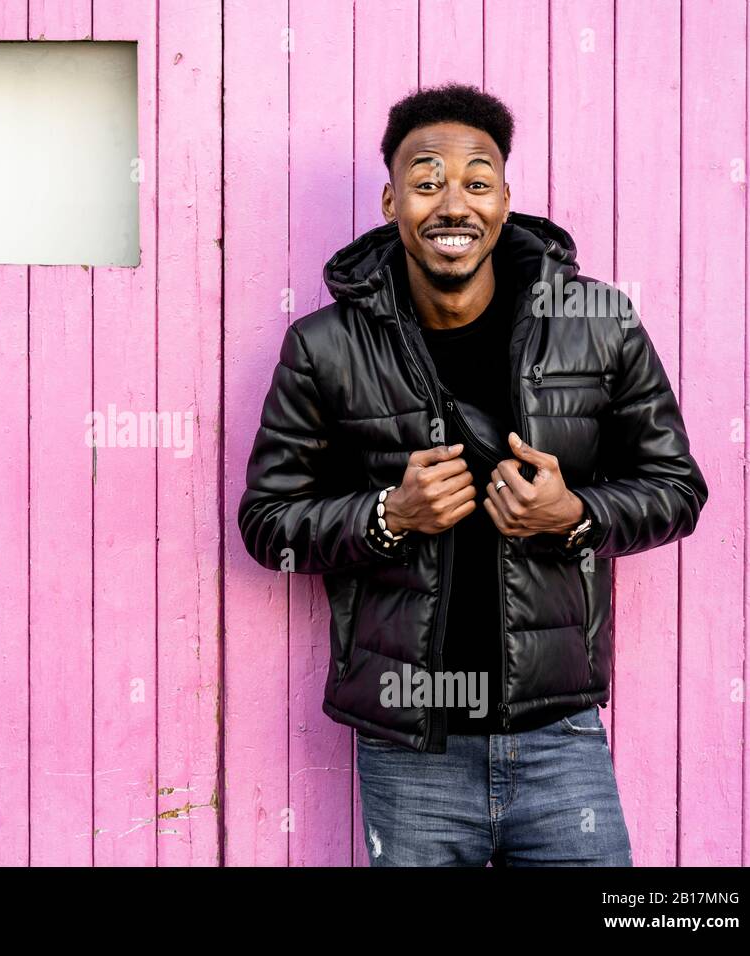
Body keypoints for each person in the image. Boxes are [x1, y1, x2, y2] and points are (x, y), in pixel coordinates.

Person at [237, 83, 708, 866]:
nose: (452, 204)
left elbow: (677, 487)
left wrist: (575, 515)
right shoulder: (323, 347)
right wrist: (390, 515)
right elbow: (267, 522)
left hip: (560, 734)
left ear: (504, 199)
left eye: (476, 183)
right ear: (392, 201)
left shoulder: (600, 322)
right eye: (426, 183)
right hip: (412, 743)